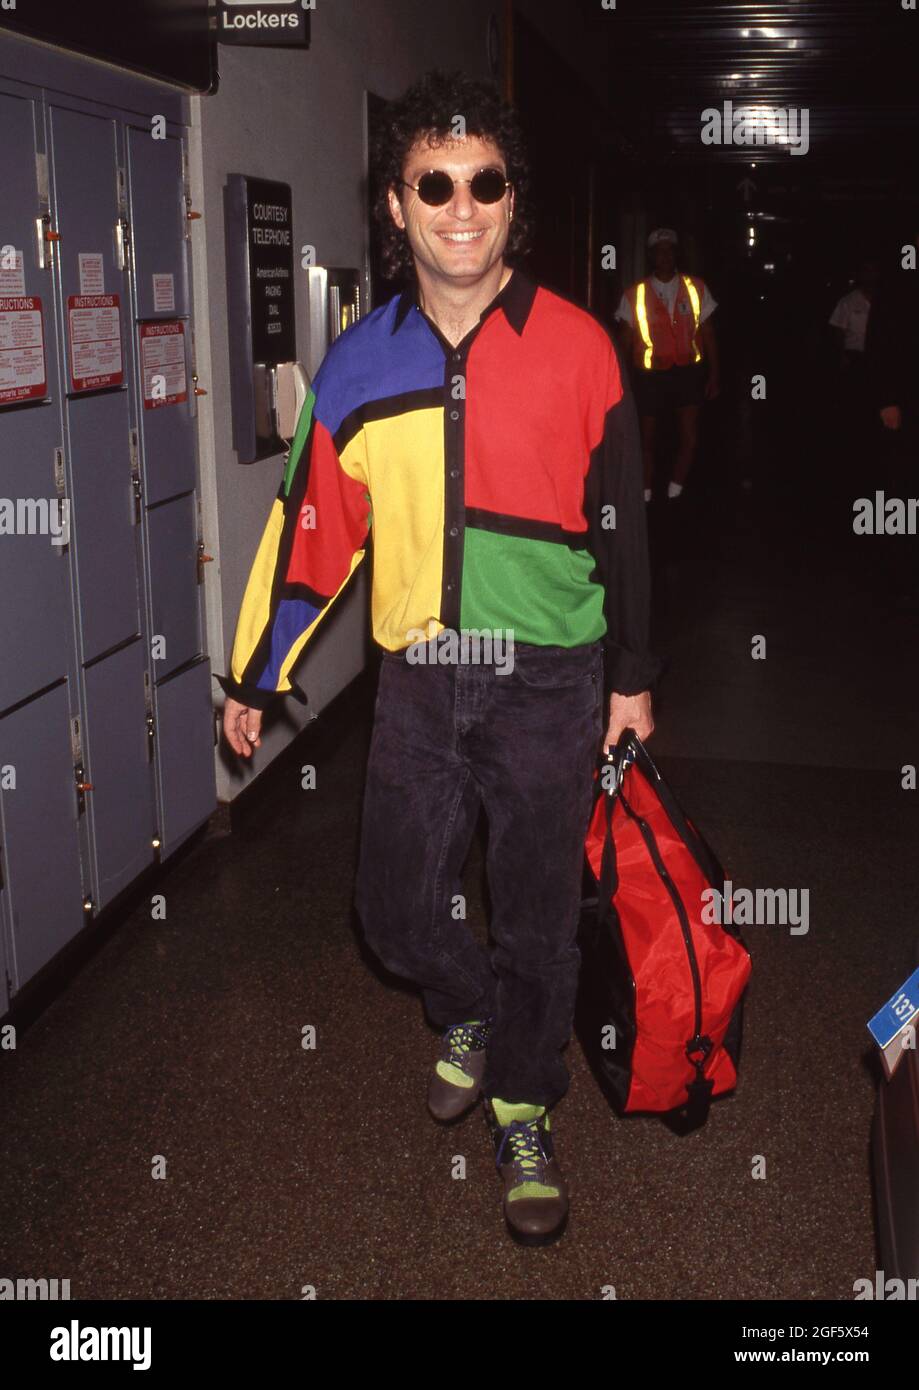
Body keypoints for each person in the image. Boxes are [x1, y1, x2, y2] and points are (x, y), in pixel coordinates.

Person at [219, 69, 662, 1247]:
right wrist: (256, 671)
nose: (461, 206)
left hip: (553, 677)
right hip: (417, 677)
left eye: (485, 182)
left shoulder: (580, 350)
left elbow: (623, 519)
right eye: (434, 183)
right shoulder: (358, 367)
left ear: (512, 202)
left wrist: (634, 672)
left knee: (534, 915)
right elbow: (310, 527)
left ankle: (524, 1103)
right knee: (392, 912)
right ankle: (468, 1007)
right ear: (396, 205)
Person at [615, 229, 719, 504]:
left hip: (688, 372)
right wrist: (619, 380)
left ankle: (676, 489)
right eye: (659, 250)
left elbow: (708, 332)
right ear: (651, 256)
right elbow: (624, 340)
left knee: (689, 436)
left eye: (669, 249)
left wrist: (714, 374)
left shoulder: (696, 288)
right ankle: (645, 492)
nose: (665, 255)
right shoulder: (634, 294)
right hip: (649, 375)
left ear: (676, 254)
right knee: (647, 438)